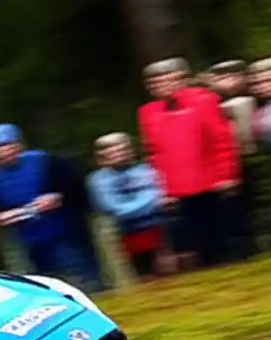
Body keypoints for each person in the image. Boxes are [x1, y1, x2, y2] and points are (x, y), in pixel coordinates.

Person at [138, 57, 241, 268]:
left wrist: (227, 175)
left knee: (223, 235)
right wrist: (163, 188)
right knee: (195, 239)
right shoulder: (148, 111)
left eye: (166, 79)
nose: (160, 85)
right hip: (179, 187)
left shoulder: (204, 99)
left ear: (181, 79)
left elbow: (222, 140)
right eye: (154, 82)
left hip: (211, 180)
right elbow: (154, 153)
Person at [0, 123, 104, 290]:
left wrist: (59, 198)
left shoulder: (48, 161)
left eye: (8, 145)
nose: (3, 151)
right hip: (31, 243)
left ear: (19, 145)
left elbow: (79, 192)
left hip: (68, 236)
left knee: (86, 282)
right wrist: (1, 217)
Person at [87, 133, 172, 281]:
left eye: (121, 149)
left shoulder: (148, 169)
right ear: (102, 155)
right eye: (110, 151)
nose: (118, 154)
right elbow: (114, 208)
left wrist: (150, 201)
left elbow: (161, 191)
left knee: (172, 270)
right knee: (145, 278)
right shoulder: (98, 180)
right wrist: (152, 203)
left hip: (161, 228)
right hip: (128, 235)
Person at [210, 59, 259, 257]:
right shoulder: (211, 105)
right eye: (221, 78)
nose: (228, 82)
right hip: (229, 162)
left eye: (233, 76)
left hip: (253, 157)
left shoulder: (255, 99)